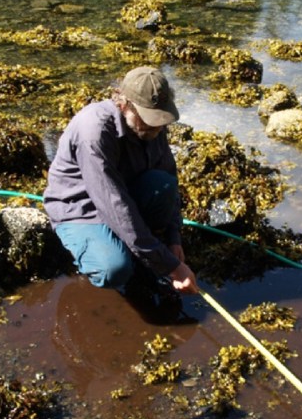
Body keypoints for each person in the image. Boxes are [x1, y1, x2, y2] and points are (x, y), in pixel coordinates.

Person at [43, 66, 200, 319]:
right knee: (114, 269)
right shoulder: (94, 130)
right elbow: (115, 206)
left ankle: (141, 251)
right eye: (149, 120)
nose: (156, 129)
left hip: (125, 194)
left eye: (160, 121)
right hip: (80, 207)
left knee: (163, 185)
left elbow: (169, 174)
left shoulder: (153, 125)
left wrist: (173, 238)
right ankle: (88, 252)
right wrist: (172, 266)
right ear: (124, 104)